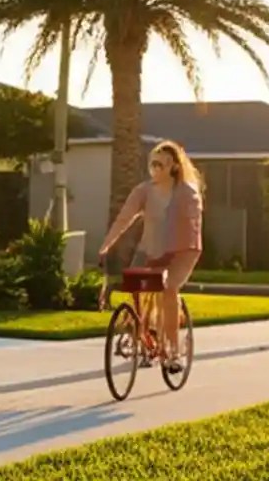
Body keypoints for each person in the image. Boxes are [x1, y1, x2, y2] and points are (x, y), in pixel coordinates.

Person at [97, 140, 204, 373]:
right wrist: (106, 245)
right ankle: (143, 335)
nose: (155, 170)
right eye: (152, 165)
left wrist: (174, 250)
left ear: (173, 167)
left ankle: (174, 353)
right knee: (133, 286)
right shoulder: (143, 191)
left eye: (160, 166)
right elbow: (124, 219)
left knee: (169, 289)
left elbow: (193, 225)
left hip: (182, 251)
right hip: (151, 249)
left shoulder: (187, 193)